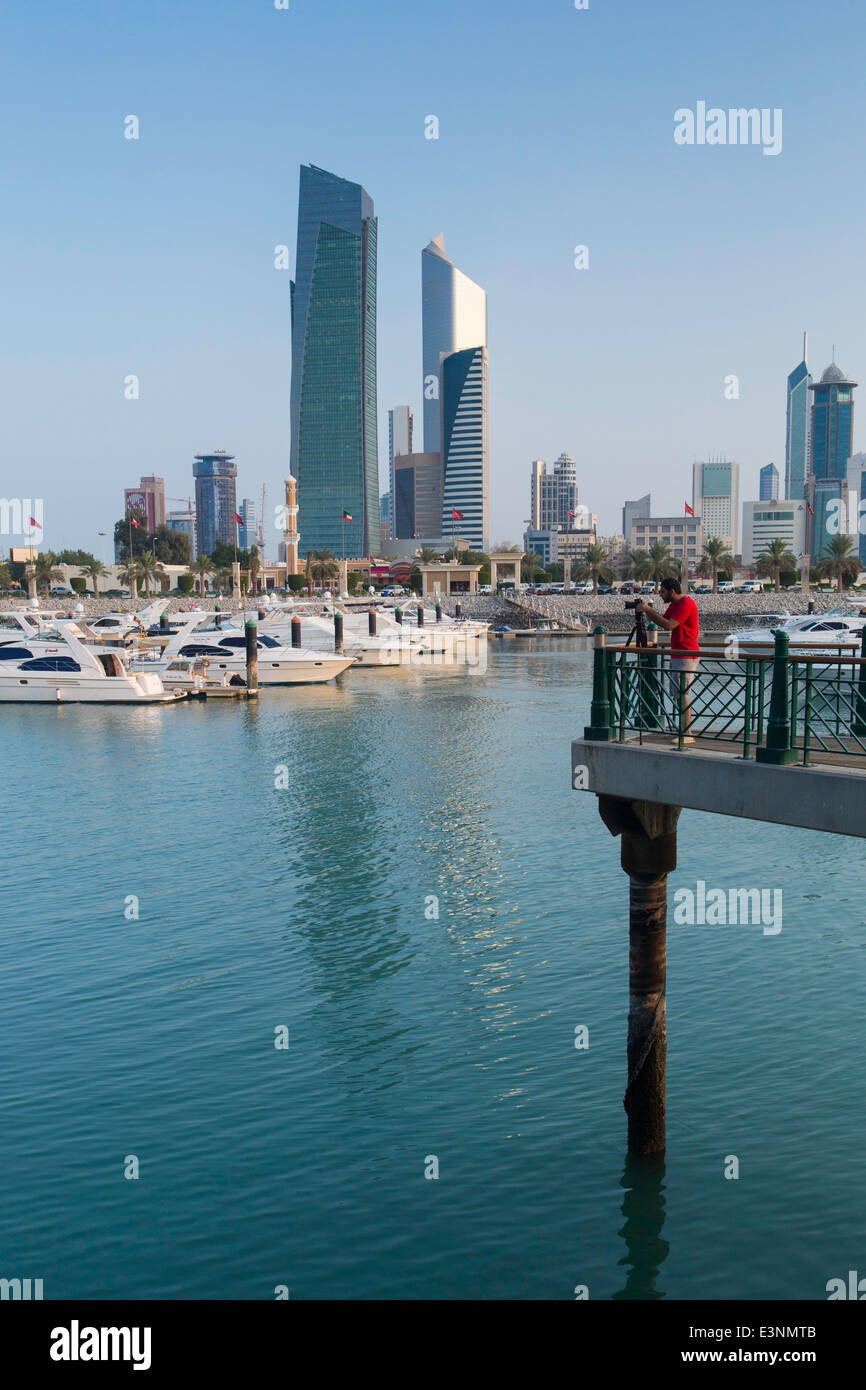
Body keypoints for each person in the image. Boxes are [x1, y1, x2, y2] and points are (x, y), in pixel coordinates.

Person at [637, 577, 700, 746]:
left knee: (683, 693)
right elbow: (662, 621)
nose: (660, 595)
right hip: (677, 654)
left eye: (663, 591)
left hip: (686, 654)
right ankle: (684, 730)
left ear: (672, 591)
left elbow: (670, 625)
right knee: (678, 694)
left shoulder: (686, 604)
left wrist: (648, 610)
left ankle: (687, 733)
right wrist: (647, 612)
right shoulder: (674, 605)